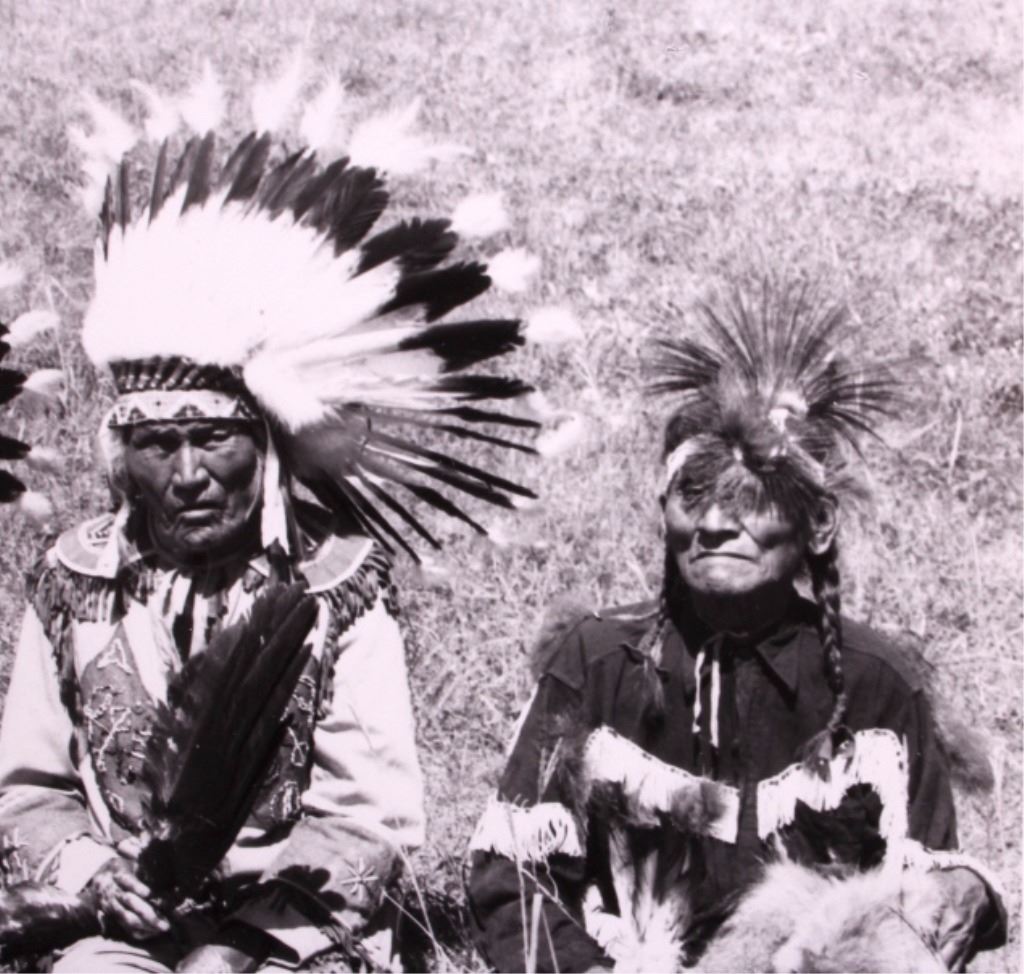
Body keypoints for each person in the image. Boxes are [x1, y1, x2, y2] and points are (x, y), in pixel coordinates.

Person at [0, 70, 543, 973]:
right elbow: (29, 790)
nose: (186, 475)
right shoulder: (72, 580)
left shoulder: (337, 587)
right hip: (111, 928)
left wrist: (240, 945)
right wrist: (99, 877)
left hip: (295, 930)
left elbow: (370, 821)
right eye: (156, 444)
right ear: (118, 456)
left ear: (268, 446)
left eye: (213, 439)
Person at [467, 281, 1007, 973]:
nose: (717, 524)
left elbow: (927, 906)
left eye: (750, 498)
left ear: (816, 524)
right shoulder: (598, 664)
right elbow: (509, 881)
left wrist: (965, 895)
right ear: (663, 510)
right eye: (693, 495)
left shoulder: (878, 688)